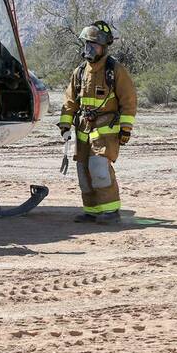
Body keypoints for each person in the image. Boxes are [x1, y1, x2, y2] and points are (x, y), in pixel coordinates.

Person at [58, 20, 137, 221]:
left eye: (93, 45)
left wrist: (125, 128)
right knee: (83, 171)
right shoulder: (80, 72)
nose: (89, 48)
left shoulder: (115, 70)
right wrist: (65, 124)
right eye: (87, 44)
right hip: (83, 128)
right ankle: (92, 212)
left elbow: (128, 100)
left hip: (106, 129)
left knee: (99, 168)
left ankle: (111, 211)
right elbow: (70, 99)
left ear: (103, 47)